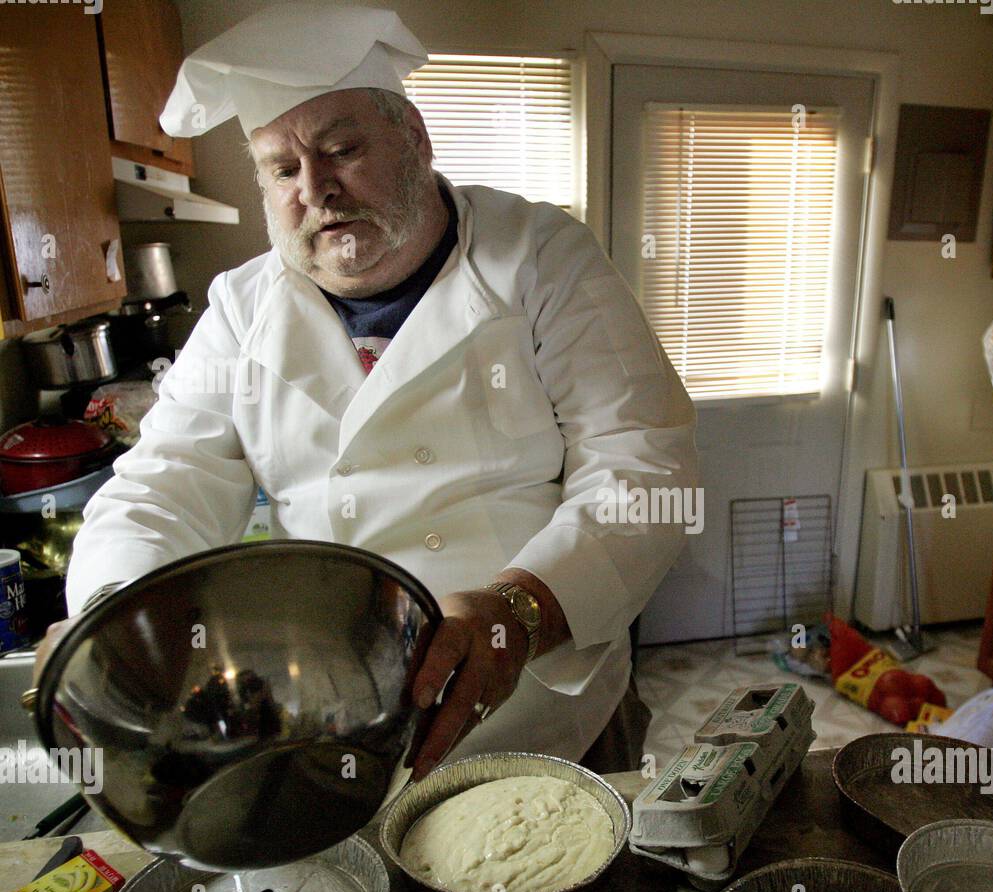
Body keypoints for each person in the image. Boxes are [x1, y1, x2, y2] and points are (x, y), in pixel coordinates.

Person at [44, 3, 698, 782]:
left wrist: (521, 611)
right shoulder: (241, 308)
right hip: (332, 720)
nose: (316, 189)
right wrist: (111, 618)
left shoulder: (541, 257)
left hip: (545, 708)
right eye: (283, 170)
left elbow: (646, 464)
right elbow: (163, 484)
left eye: (341, 149)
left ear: (415, 139)